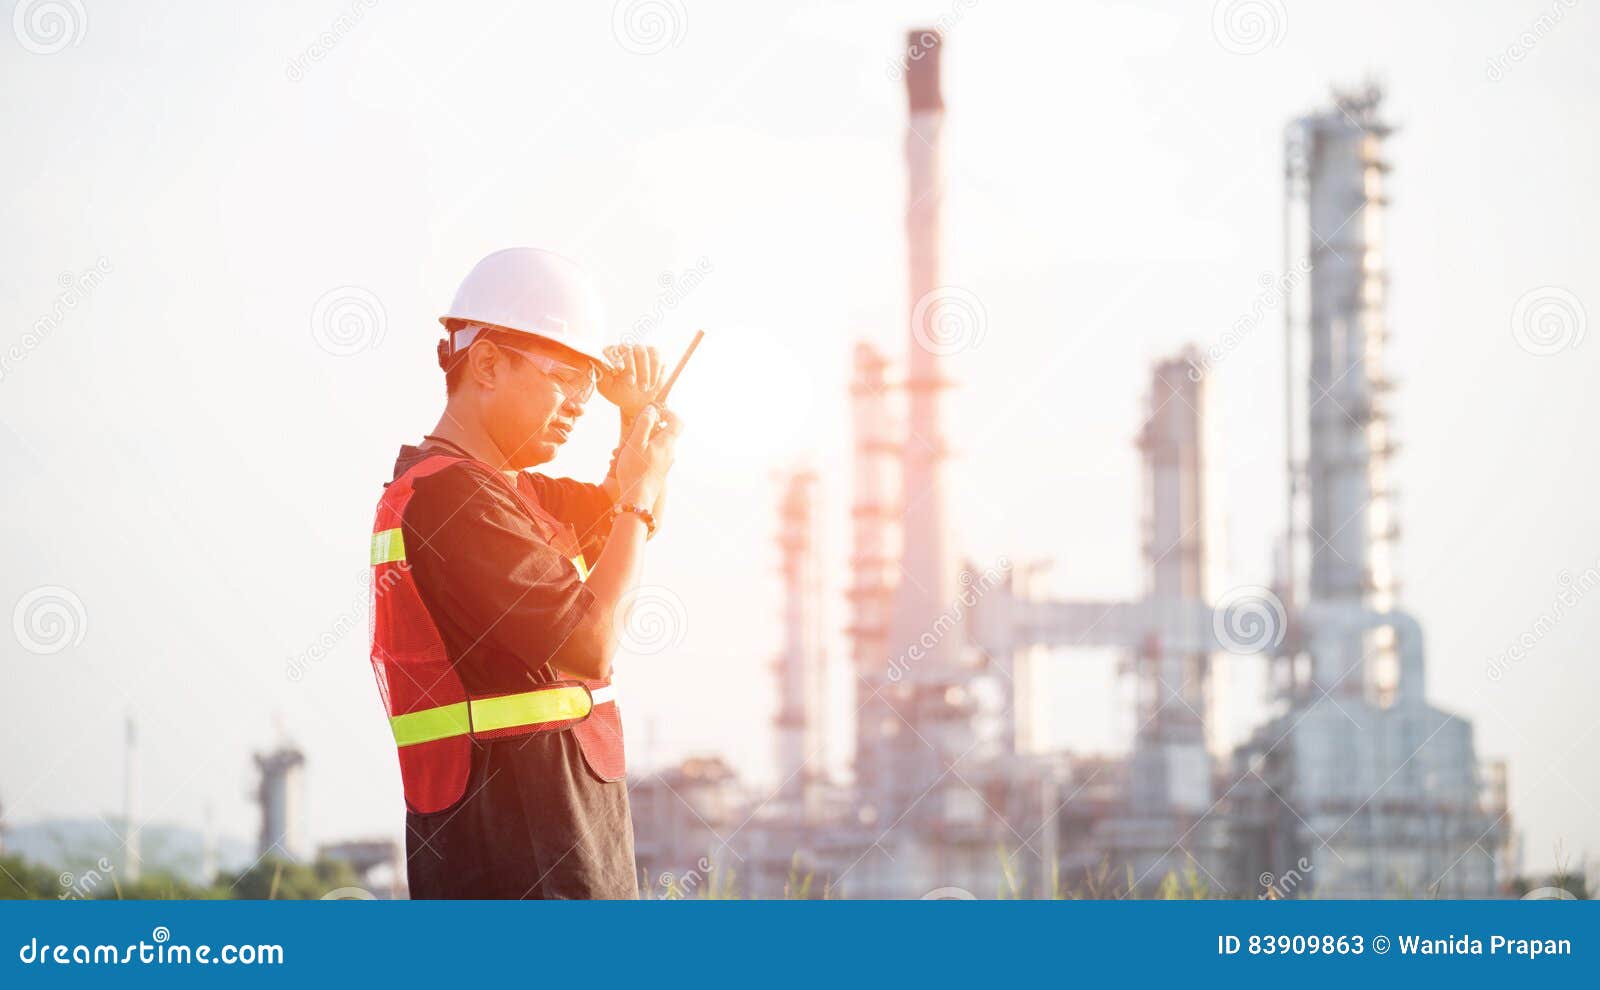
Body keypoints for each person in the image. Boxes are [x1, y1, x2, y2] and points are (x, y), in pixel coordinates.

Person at [365, 247, 682, 898]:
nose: (578, 405)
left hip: (554, 856)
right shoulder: (453, 502)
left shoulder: (510, 495)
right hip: (520, 867)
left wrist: (636, 424)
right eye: (566, 377)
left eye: (588, 386)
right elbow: (591, 641)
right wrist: (637, 500)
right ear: (486, 364)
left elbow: (626, 529)